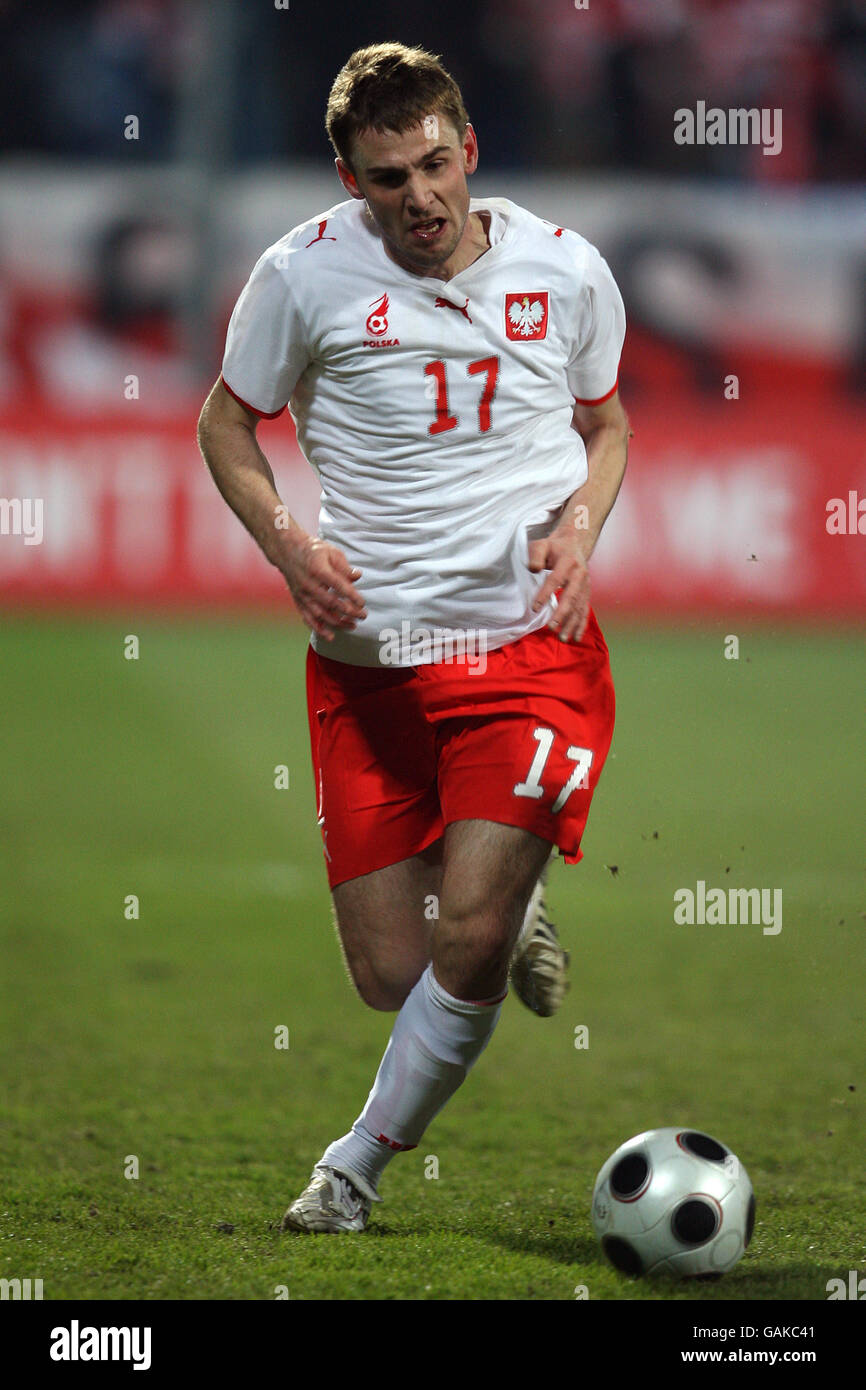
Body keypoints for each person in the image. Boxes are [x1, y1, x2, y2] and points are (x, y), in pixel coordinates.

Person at [197, 42, 629, 1233]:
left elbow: (604, 422)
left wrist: (580, 527)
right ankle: (495, 886)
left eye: (435, 163)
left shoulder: (564, 268)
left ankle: (350, 1171)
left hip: (527, 653)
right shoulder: (300, 279)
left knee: (470, 940)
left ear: (468, 149)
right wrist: (290, 545)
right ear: (349, 181)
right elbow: (226, 424)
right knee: (396, 974)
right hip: (367, 674)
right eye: (388, 177)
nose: (419, 196)